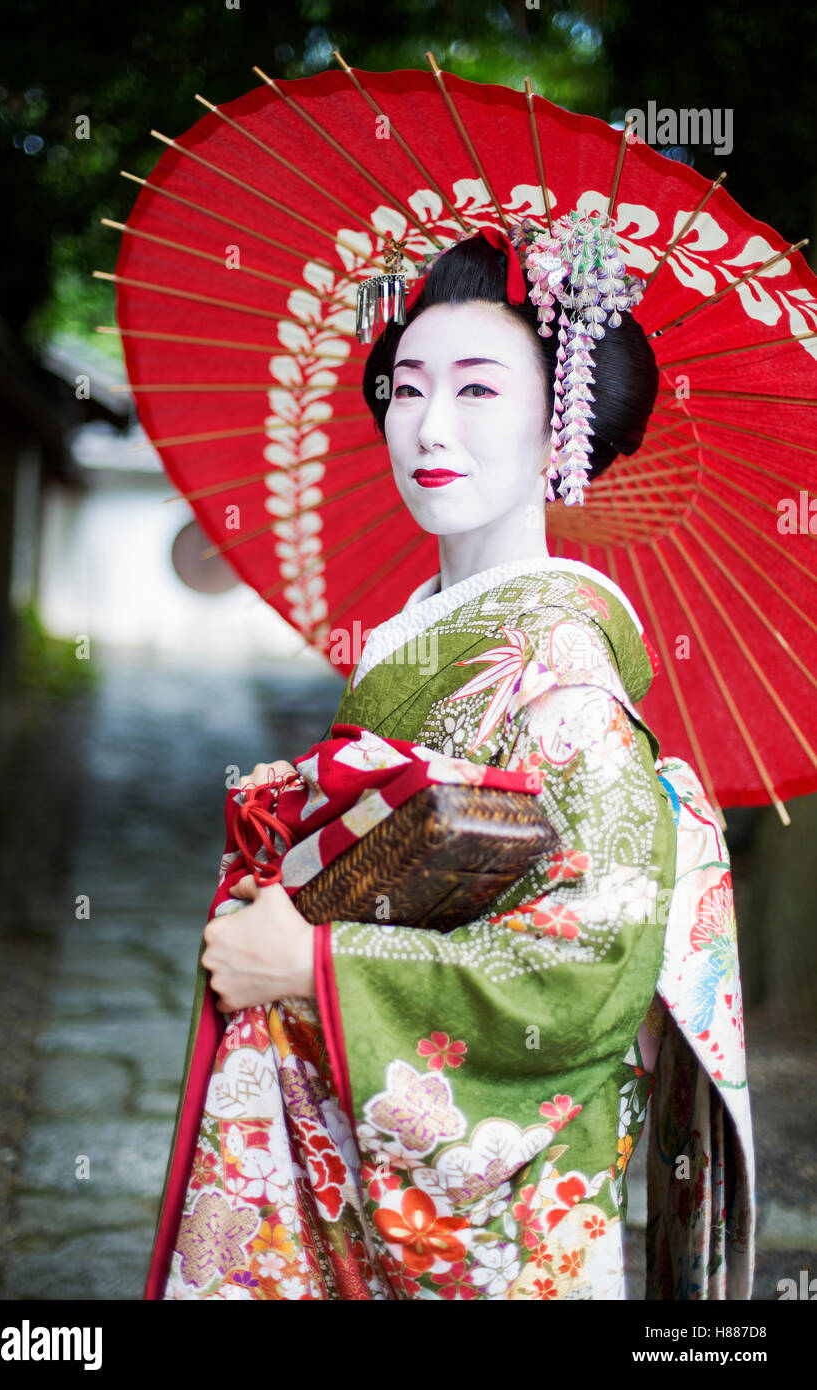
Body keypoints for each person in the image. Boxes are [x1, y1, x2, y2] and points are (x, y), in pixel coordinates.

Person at [147, 231, 755, 1301]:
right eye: (408, 386)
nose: (428, 425)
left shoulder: (563, 677)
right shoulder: (422, 630)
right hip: (354, 1136)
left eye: (478, 389)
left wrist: (311, 967)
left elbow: (593, 966)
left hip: (483, 1214)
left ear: (554, 424)